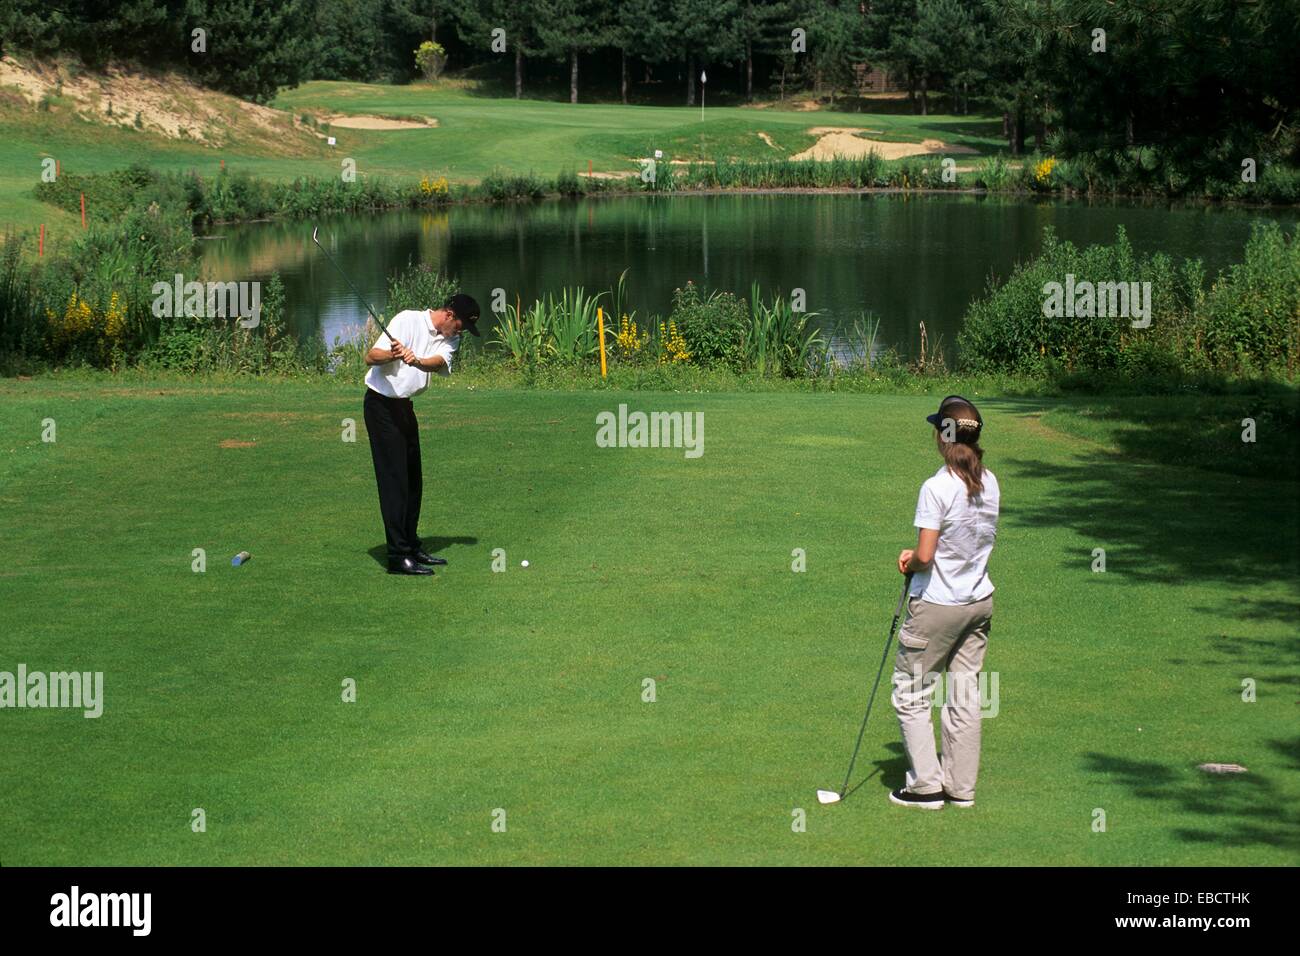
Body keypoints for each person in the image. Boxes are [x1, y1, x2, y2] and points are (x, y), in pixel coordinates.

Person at [889, 395, 1000, 809]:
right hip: (978, 602)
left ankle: (926, 788)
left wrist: (909, 560)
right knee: (965, 694)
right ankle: (960, 788)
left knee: (912, 694)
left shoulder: (936, 487)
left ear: (943, 437)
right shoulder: (990, 482)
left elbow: (926, 555)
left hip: (938, 605)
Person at [363, 293, 480, 576]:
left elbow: (438, 363)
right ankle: (397, 556)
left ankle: (411, 546)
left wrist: (416, 361)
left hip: (404, 408)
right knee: (395, 483)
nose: (461, 332)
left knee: (414, 482)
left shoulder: (451, 337)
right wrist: (394, 353)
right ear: (450, 315)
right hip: (381, 407)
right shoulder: (407, 320)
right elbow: (370, 357)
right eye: (461, 325)